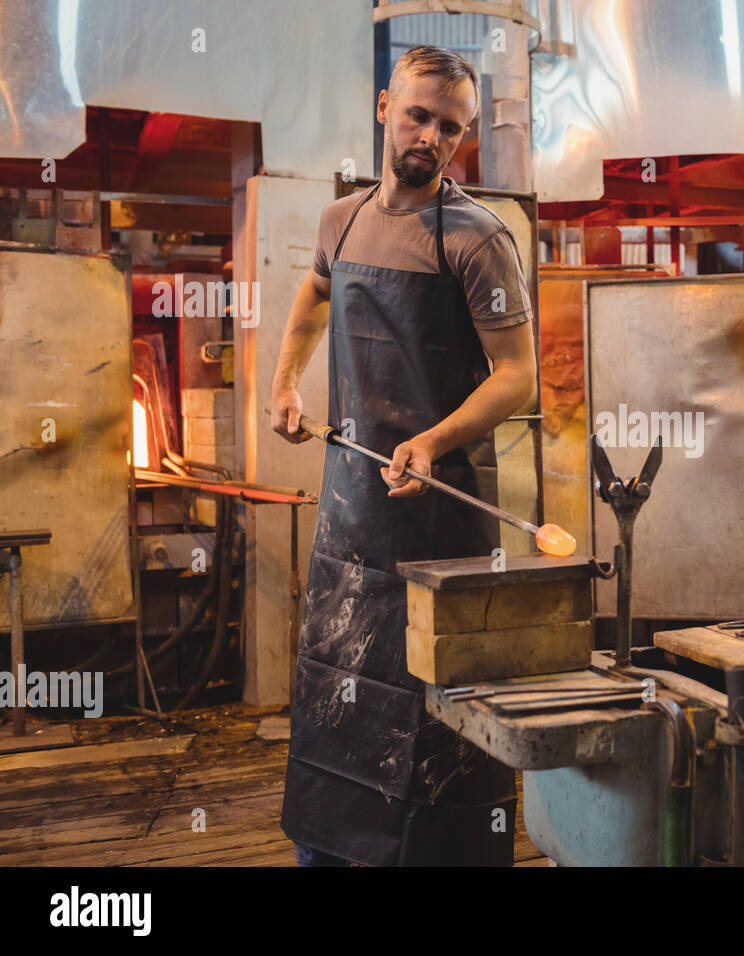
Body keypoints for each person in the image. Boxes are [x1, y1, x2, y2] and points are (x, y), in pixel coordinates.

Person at [271, 45, 536, 866]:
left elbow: (520, 377)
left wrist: (431, 439)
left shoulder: (479, 239)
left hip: (440, 525)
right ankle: (330, 850)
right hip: (351, 518)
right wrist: (284, 382)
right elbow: (314, 292)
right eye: (419, 115)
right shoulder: (340, 221)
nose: (432, 137)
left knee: (434, 726)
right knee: (338, 702)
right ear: (385, 106)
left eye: (451, 127)